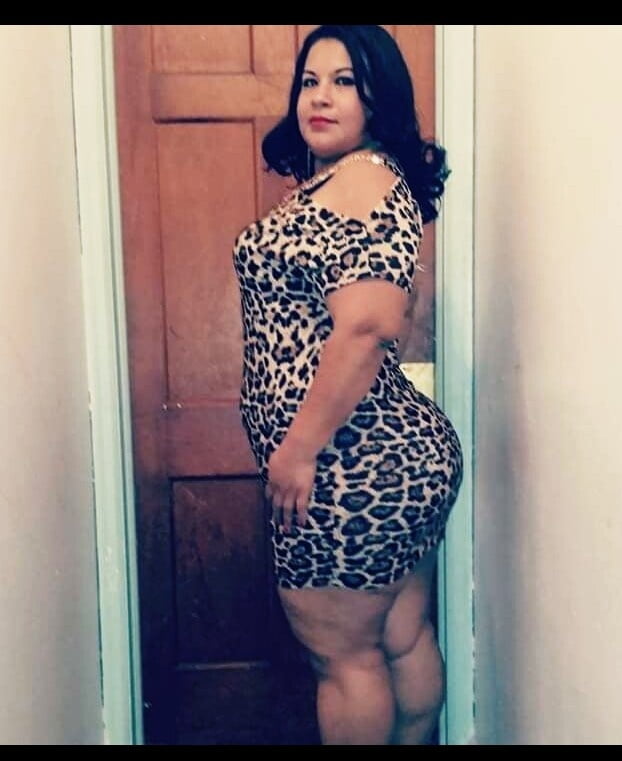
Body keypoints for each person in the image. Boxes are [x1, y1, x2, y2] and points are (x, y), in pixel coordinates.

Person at [232, 24, 463, 745]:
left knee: (343, 658)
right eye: (310, 81)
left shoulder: (363, 179)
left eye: (344, 82)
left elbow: (368, 325)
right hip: (390, 455)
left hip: (348, 465)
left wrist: (298, 450)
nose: (320, 97)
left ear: (377, 97)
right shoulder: (358, 180)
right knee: (398, 634)